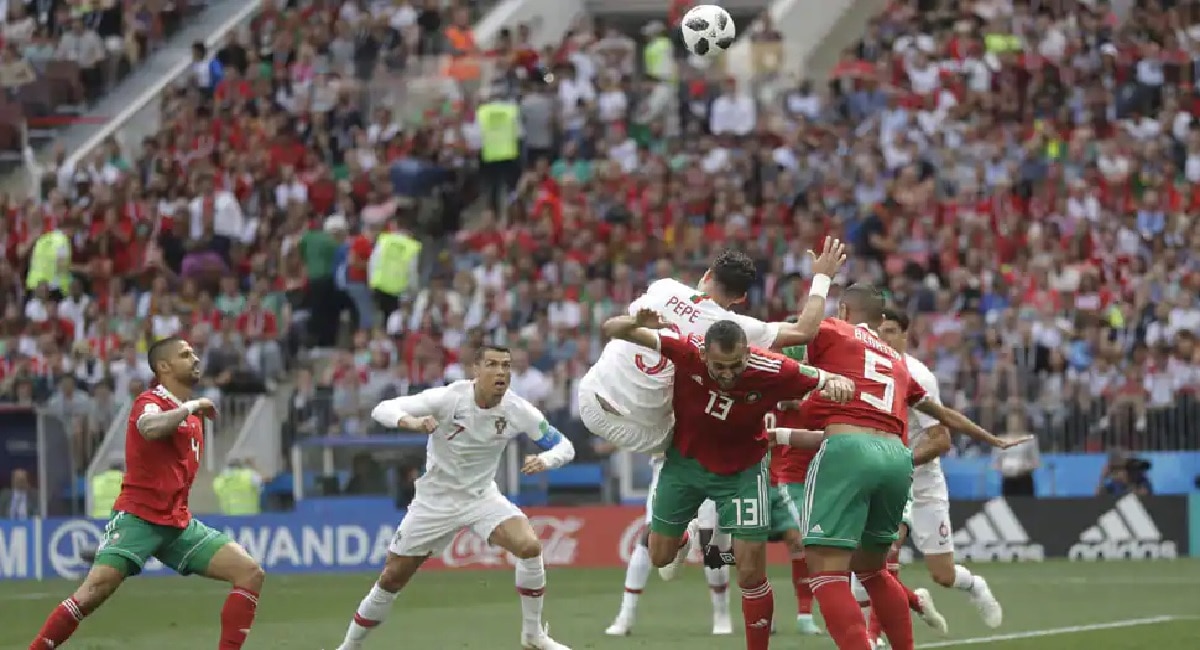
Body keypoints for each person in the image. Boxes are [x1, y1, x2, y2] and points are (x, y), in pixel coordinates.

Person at [580, 239, 844, 602]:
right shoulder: (734, 332)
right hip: (656, 433)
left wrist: (637, 324)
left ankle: (689, 533)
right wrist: (822, 279)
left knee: (725, 543)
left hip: (590, 398)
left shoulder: (664, 287)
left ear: (706, 275)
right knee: (683, 452)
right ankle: (683, 528)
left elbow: (618, 326)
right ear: (739, 300)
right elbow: (803, 331)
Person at [780, 285, 1028, 650]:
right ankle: (890, 633)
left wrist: (819, 278)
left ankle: (863, 639)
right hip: (896, 461)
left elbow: (795, 333)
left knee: (826, 570)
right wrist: (991, 438)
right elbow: (943, 414)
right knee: (874, 570)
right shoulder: (895, 362)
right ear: (881, 323)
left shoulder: (835, 331)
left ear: (844, 310)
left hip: (857, 454)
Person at [601, 311, 854, 650]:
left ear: (747, 354)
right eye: (719, 366)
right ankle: (684, 537)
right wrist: (636, 322)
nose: (727, 374)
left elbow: (826, 378)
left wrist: (836, 383)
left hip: (743, 473)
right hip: (685, 467)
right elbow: (611, 328)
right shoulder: (685, 351)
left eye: (735, 365)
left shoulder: (771, 369)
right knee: (660, 558)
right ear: (704, 354)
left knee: (749, 570)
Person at [27, 337, 266, 650]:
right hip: (137, 519)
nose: (195, 359)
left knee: (250, 573)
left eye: (194, 353)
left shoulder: (192, 419)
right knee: (91, 594)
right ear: (164, 367)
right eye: (185, 355)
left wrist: (189, 410)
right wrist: (191, 406)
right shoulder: (151, 401)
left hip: (178, 524)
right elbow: (149, 427)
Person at [333, 345, 576, 650]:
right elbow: (382, 409)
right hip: (435, 501)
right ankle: (349, 646)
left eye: (506, 366)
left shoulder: (517, 410)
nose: (501, 372)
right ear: (477, 369)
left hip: (481, 497)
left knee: (529, 546)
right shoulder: (449, 398)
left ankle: (533, 636)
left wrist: (547, 461)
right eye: (492, 365)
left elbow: (565, 446)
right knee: (392, 578)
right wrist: (413, 422)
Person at [872, 309, 1003, 645]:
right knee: (878, 560)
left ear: (905, 335)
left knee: (942, 575)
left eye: (890, 331)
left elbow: (941, 440)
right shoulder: (869, 370)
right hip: (889, 483)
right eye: (879, 331)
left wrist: (900, 461)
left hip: (923, 483)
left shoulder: (919, 377)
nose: (883, 337)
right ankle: (874, 638)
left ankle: (974, 586)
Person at [605, 455, 732, 637]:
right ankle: (625, 616)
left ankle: (722, 615)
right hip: (668, 466)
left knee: (711, 545)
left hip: (709, 465)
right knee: (650, 535)